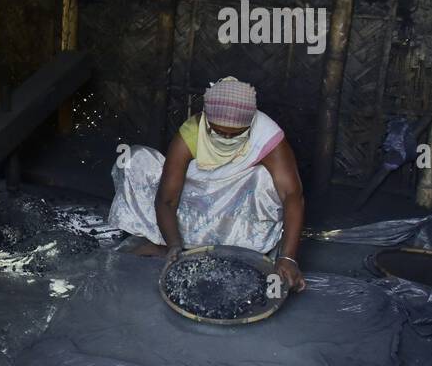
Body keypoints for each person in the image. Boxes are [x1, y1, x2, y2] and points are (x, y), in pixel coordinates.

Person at [108, 77, 307, 293]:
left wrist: (288, 258)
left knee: (266, 178)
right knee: (135, 159)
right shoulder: (191, 132)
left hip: (237, 206)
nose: (227, 139)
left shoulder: (266, 135)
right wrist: (173, 247)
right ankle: (171, 244)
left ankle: (240, 247)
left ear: (251, 124)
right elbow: (167, 200)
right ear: (206, 120)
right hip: (194, 199)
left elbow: (292, 195)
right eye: (219, 132)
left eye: (236, 134)